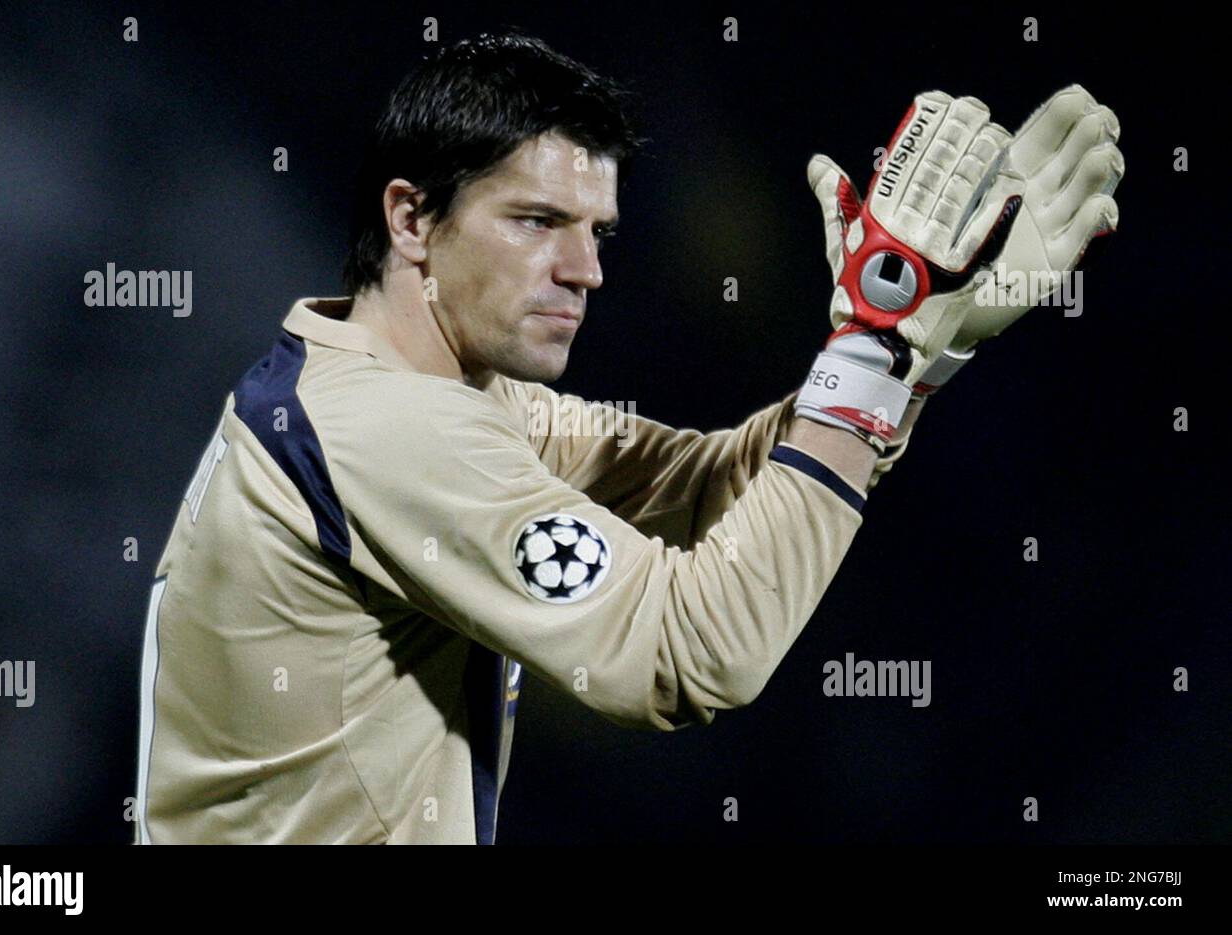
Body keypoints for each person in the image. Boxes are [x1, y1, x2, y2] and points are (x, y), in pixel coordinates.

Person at [134, 33, 1121, 844]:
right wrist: (871, 342)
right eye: (533, 222)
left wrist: (907, 350)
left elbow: (710, 486)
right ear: (411, 217)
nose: (581, 269)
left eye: (593, 232)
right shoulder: (387, 432)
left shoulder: (404, 388)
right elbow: (692, 652)